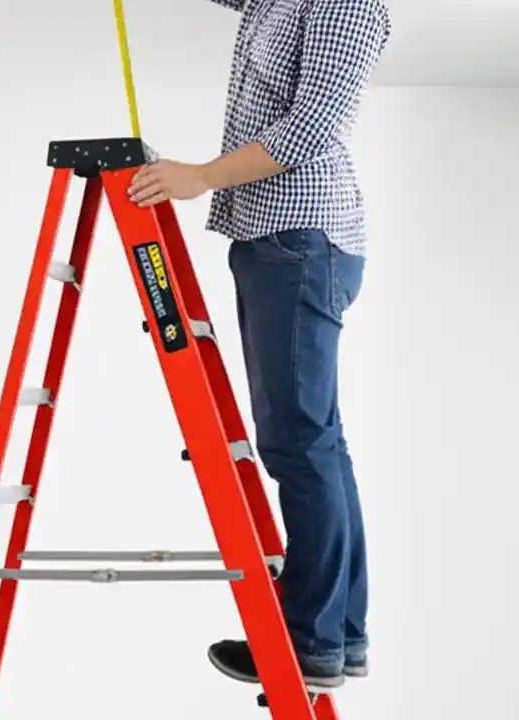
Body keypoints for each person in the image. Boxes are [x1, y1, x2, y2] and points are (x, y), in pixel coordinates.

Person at [126, 0, 391, 690]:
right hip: (275, 240)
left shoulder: (346, 3)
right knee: (316, 440)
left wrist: (200, 176)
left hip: (300, 239)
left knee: (298, 442)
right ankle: (339, 635)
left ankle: (310, 640)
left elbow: (312, 127)